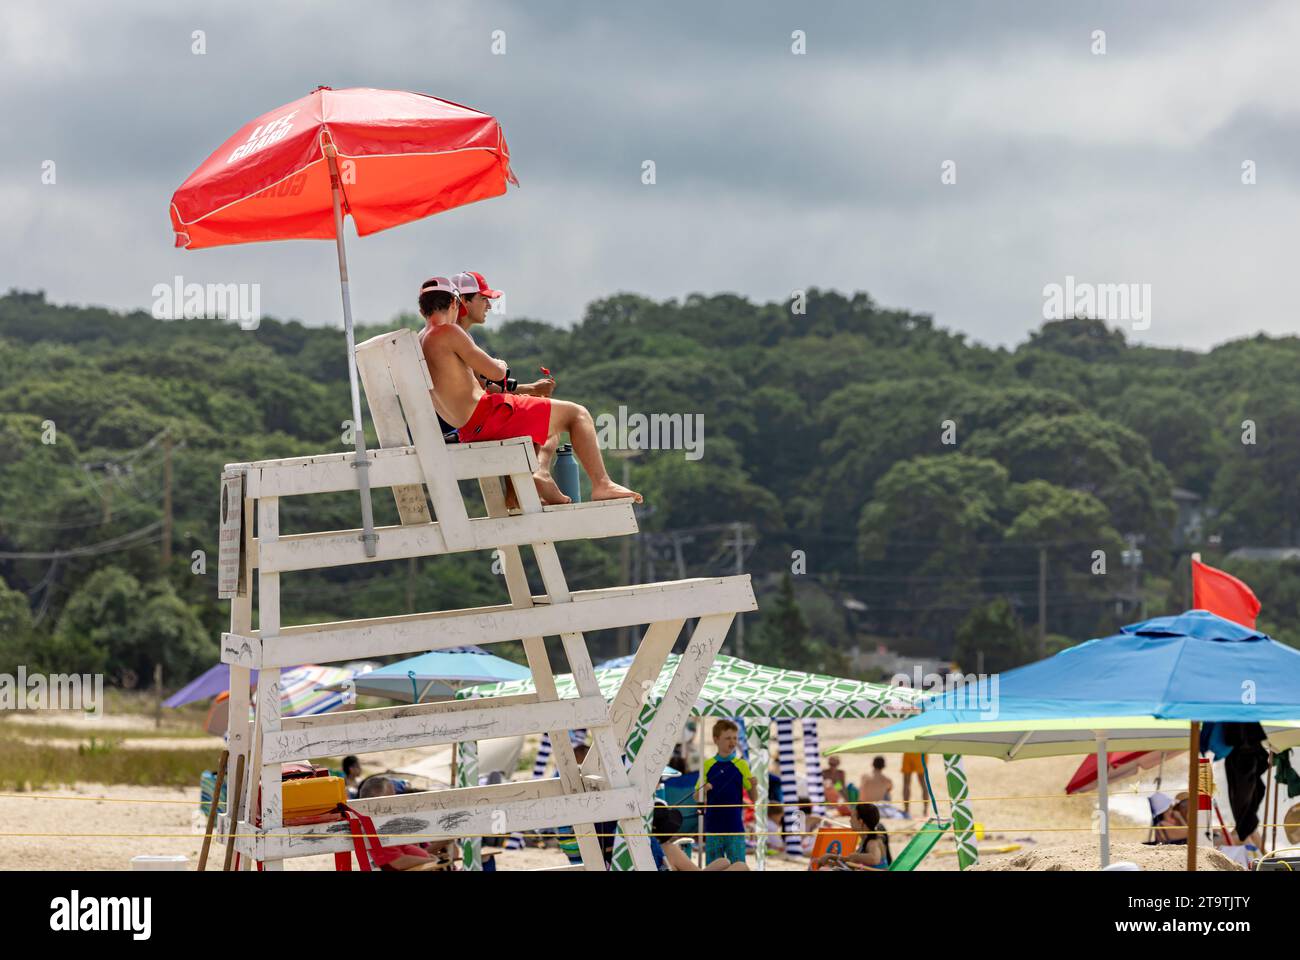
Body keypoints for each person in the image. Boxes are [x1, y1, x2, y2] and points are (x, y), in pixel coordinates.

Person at [415, 276, 641, 504]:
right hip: (485, 416)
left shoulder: (420, 340)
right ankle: (602, 484)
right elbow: (497, 374)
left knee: (542, 420)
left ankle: (520, 492)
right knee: (576, 414)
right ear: (455, 303)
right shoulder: (448, 332)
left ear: (421, 308)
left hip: (467, 428)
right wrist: (501, 364)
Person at [356, 778, 450, 870]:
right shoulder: (376, 827)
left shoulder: (386, 825)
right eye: (392, 796)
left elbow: (408, 854)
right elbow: (397, 862)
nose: (396, 801)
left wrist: (430, 858)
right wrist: (430, 861)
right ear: (377, 801)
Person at [700, 719, 754, 866]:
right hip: (713, 828)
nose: (732, 741)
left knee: (738, 866)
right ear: (716, 739)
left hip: (735, 827)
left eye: (735, 738)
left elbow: (754, 798)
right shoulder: (707, 765)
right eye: (728, 738)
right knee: (714, 867)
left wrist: (754, 786)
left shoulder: (742, 765)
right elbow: (696, 797)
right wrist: (703, 790)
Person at [813, 803, 892, 871]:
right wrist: (830, 858)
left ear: (860, 821)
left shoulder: (873, 841)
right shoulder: (865, 840)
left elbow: (875, 859)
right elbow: (850, 864)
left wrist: (855, 857)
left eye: (852, 817)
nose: (850, 820)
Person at [900, 752, 929, 818]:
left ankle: (906, 810)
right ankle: (925, 810)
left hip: (909, 751)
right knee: (922, 782)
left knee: (906, 783)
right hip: (920, 752)